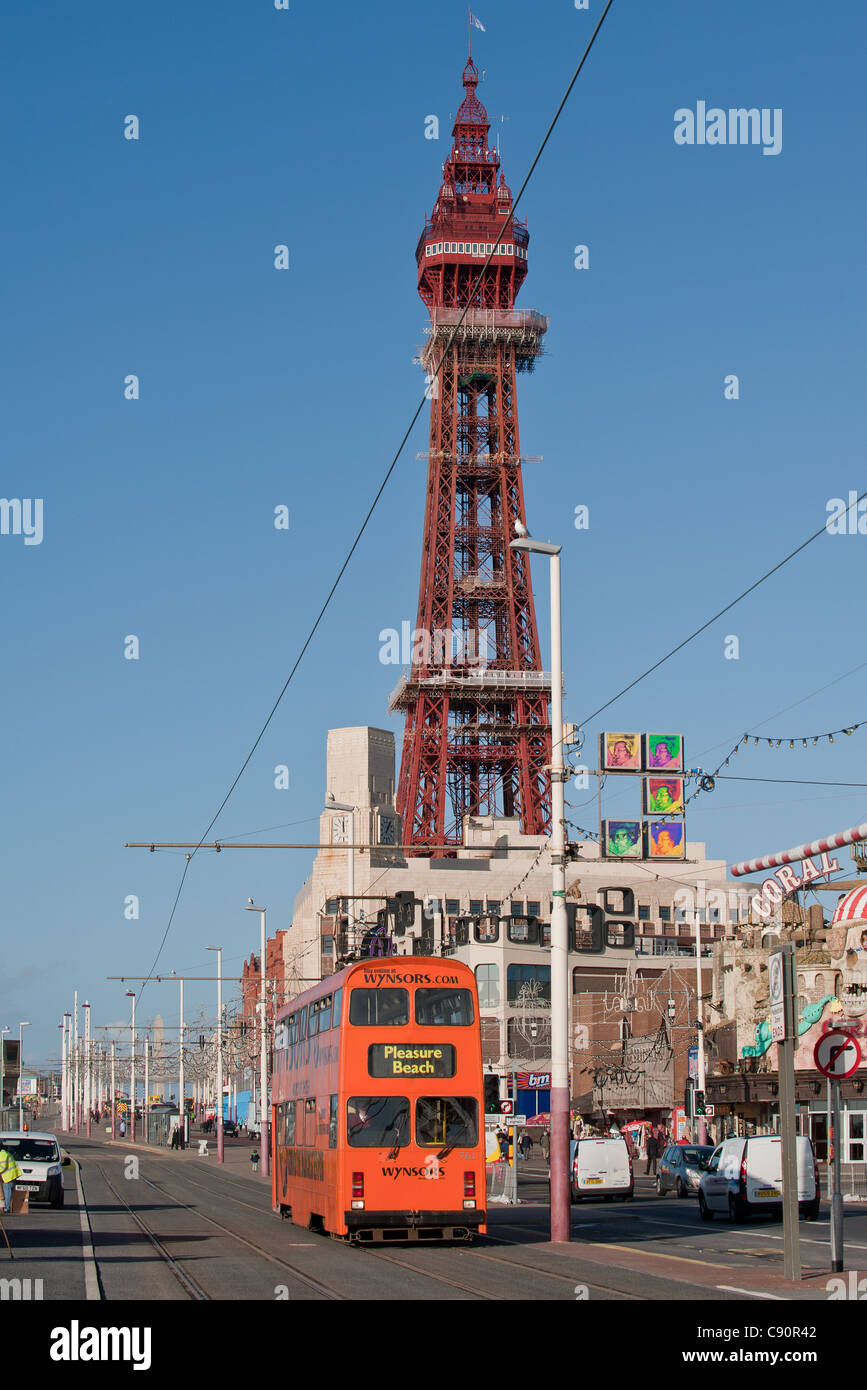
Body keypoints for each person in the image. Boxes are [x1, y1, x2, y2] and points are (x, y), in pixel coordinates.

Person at [0, 1145, 21, 1214]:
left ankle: (7, 1208)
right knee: (8, 1192)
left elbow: (2, 1166)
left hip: (8, 1176)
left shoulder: (2, 1154)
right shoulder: (4, 1153)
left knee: (7, 1192)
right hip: (10, 1175)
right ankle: (7, 1207)